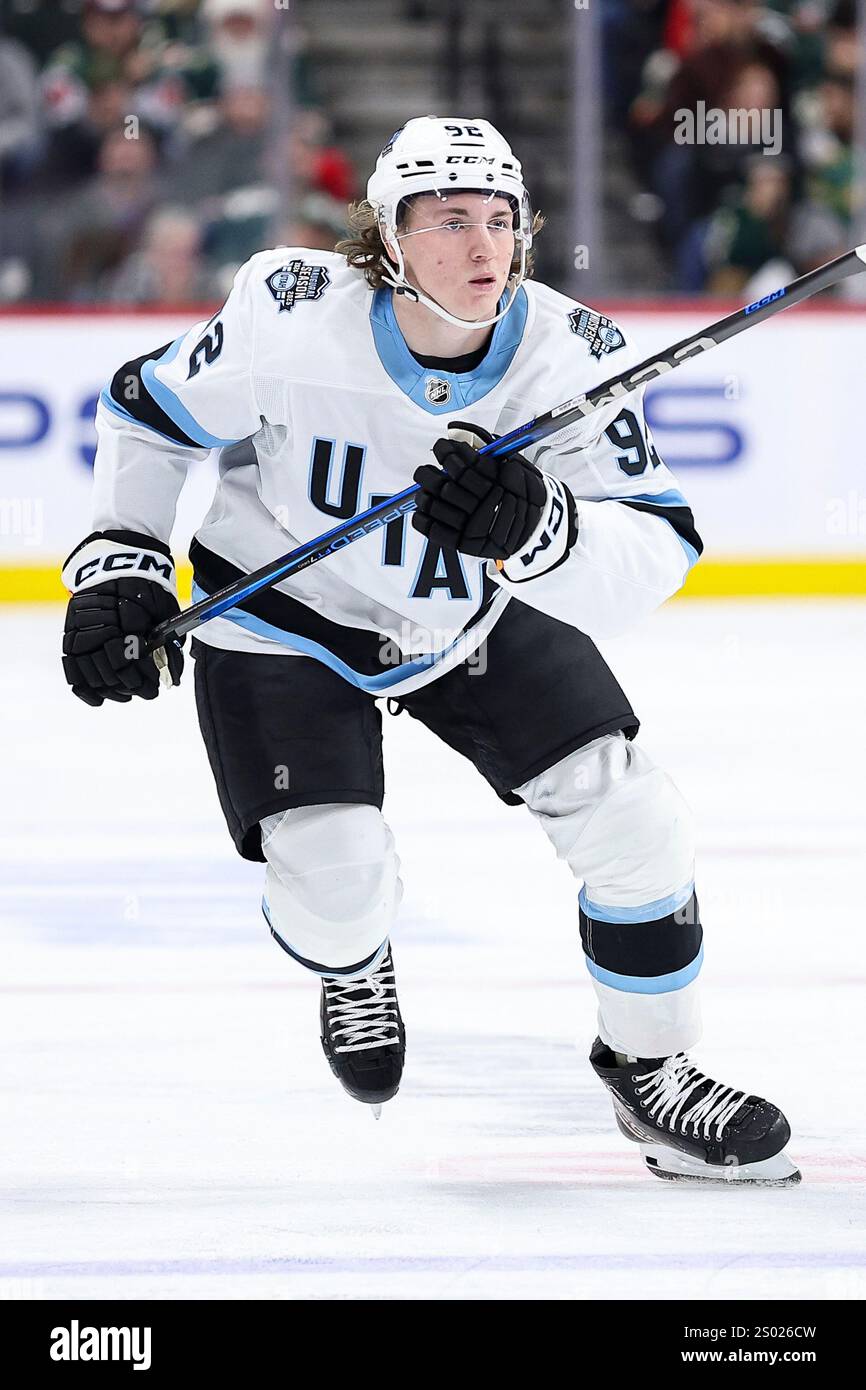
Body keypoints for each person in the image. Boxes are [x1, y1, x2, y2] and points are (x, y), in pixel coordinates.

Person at [61, 116, 799, 1185]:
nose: (483, 245)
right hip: (282, 611)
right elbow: (148, 409)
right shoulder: (286, 313)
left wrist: (541, 531)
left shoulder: (567, 353)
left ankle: (653, 1071)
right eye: (449, 219)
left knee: (634, 819)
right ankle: (352, 957)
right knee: (337, 882)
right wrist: (121, 562)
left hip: (466, 614)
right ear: (388, 236)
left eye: (500, 219)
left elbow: (654, 549)